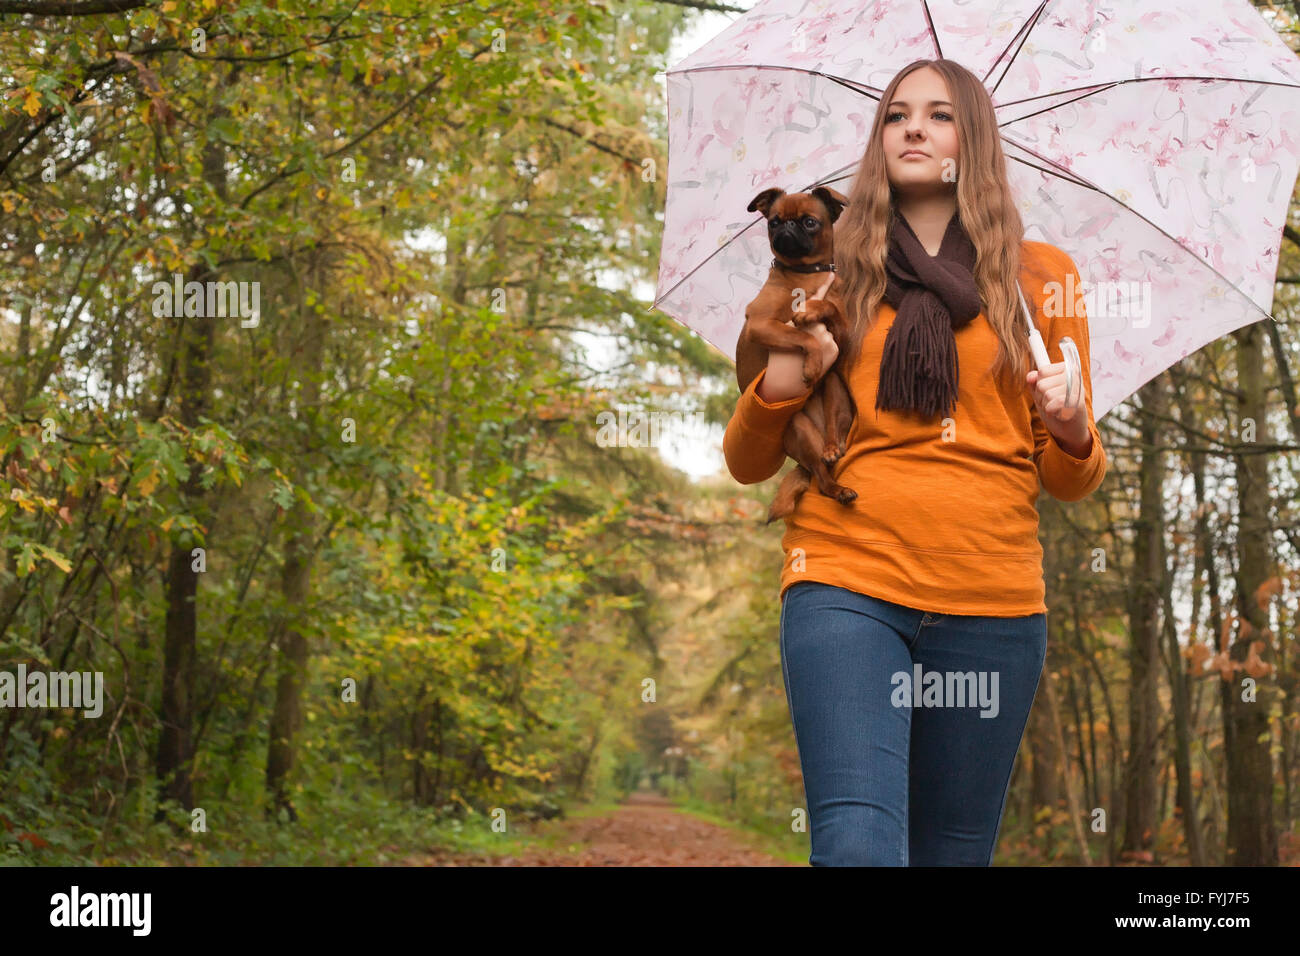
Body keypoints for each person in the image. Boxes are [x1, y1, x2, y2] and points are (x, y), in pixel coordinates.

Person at [722, 58, 1107, 866]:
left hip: (994, 599)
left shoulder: (1040, 277)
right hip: (846, 578)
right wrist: (787, 377)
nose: (914, 128)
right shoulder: (829, 271)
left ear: (975, 138)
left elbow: (1070, 479)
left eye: (938, 114)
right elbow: (748, 460)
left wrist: (1070, 425)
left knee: (951, 854)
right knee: (859, 844)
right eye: (897, 114)